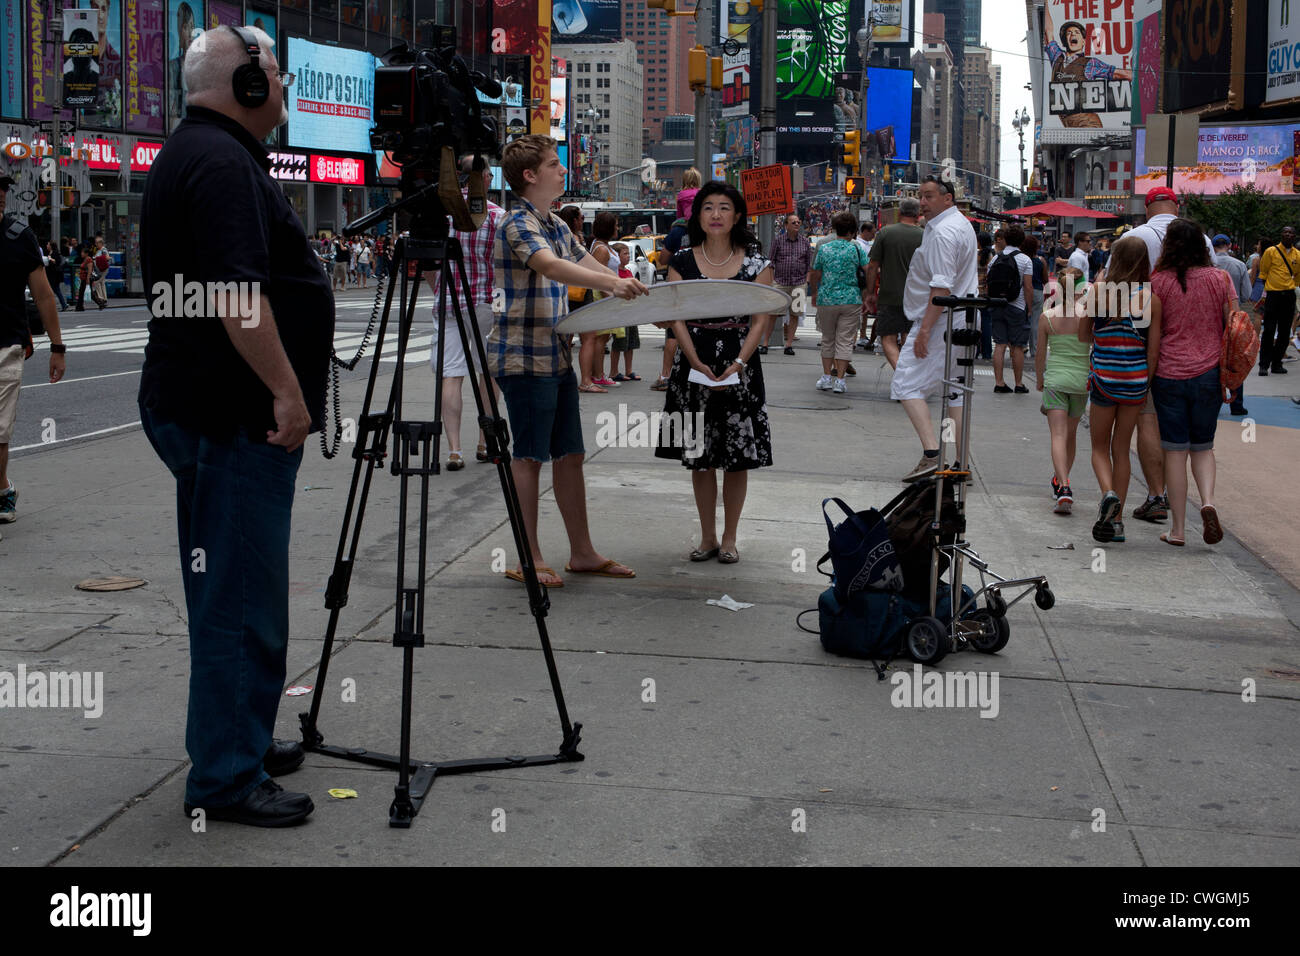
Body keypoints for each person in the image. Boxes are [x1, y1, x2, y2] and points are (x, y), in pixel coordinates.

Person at [138, 25, 331, 826]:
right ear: (246, 86)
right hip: (231, 417)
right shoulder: (219, 163)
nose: (282, 88)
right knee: (241, 601)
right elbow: (235, 299)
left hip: (211, 409)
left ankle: (239, 739)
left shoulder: (207, 152)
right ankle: (224, 775)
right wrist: (288, 394)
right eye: (276, 75)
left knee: (238, 591)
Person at [492, 134, 646, 588]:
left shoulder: (556, 223)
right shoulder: (516, 223)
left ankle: (581, 551)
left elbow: (585, 263)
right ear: (529, 175)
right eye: (555, 164)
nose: (563, 170)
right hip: (522, 358)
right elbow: (552, 267)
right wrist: (614, 287)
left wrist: (627, 286)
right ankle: (528, 554)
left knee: (571, 455)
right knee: (529, 457)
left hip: (555, 356)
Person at [655, 182, 774, 564]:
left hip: (741, 364)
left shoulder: (757, 264)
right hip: (694, 363)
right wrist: (692, 360)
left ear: (737, 215)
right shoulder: (683, 262)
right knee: (700, 456)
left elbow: (760, 321)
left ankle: (729, 538)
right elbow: (676, 316)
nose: (717, 215)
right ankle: (706, 536)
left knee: (737, 457)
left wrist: (739, 362)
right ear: (698, 216)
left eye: (725, 207)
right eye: (708, 208)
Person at [1124, 186, 1213, 524]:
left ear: (1148, 208)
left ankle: (1156, 495)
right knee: (1198, 443)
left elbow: (1119, 294)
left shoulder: (1135, 239)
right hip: (1202, 358)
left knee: (1149, 420)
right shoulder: (1204, 246)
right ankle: (1205, 501)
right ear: (1177, 206)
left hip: (1145, 343)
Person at [1146, 219, 1235, 548]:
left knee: (1174, 451)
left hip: (1168, 373)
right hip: (1208, 373)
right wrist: (1232, 376)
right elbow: (1232, 329)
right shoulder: (1220, 279)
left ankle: (1179, 529)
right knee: (1203, 447)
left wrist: (1148, 375)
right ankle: (1208, 501)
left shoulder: (1158, 281)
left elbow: (1153, 334)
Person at [891, 176, 978, 482]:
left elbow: (941, 287)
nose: (922, 203)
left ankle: (932, 453)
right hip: (961, 316)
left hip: (942, 318)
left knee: (905, 382)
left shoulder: (943, 232)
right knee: (954, 391)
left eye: (928, 197)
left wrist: (925, 330)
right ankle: (959, 462)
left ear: (948, 199)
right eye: (920, 197)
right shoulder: (960, 224)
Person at [426, 158, 505, 470]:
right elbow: (503, 270)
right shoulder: (498, 217)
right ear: (484, 179)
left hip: (448, 303)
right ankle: (485, 441)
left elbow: (429, 267)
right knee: (488, 372)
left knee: (452, 375)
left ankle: (454, 449)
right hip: (487, 302)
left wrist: (441, 292)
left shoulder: (441, 218)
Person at [1075, 237, 1154, 542]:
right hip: (1135, 383)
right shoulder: (1150, 298)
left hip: (1104, 380)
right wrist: (1145, 383)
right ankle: (1117, 522)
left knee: (1098, 447)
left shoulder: (1099, 293)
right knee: (1122, 449)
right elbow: (1153, 351)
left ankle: (1108, 492)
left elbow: (1084, 336)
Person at [0, 174, 68, 527]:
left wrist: (57, 346)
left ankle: (0, 490)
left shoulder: (19, 237)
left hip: (7, 345)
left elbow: (43, 295)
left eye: (2, 192)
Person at [1034, 244, 1091, 518]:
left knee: (1056, 435)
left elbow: (1040, 355)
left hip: (1056, 380)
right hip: (1081, 381)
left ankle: (1064, 486)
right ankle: (1062, 478)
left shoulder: (1047, 318)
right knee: (1071, 435)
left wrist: (1040, 380)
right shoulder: (1087, 319)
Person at [1043, 3, 1131, 128]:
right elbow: (1048, 32)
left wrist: (1144, 75)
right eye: (1069, 33)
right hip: (1070, 128)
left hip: (1089, 126)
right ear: (1064, 41)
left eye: (1077, 32)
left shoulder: (1090, 63)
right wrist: (1047, 2)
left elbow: (1117, 74)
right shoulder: (1057, 57)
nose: (1072, 35)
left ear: (1083, 41)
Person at [864, 196, 924, 369]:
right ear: (917, 213)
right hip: (916, 297)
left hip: (889, 295)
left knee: (888, 337)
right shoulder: (924, 235)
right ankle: (908, 374)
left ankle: (901, 373)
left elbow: (873, 266)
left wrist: (870, 293)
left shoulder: (885, 233)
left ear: (899, 212)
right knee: (908, 336)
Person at [809, 211, 866, 394]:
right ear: (852, 231)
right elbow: (868, 270)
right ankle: (840, 380)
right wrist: (868, 291)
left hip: (827, 299)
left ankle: (826, 377)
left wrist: (815, 293)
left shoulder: (825, 249)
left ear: (834, 228)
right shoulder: (856, 249)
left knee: (828, 339)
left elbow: (815, 274)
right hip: (851, 299)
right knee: (845, 341)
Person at [988, 223, 1035, 394]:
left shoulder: (995, 259)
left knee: (999, 344)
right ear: (1022, 241)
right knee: (1017, 345)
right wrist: (1029, 308)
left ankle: (999, 383)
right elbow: (1028, 287)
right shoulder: (1025, 260)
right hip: (1017, 305)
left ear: (1005, 239)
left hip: (997, 305)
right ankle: (1018, 383)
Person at [1212, 233, 1252, 415]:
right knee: (1234, 359)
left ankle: (1214, 400)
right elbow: (1246, 293)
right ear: (1228, 245)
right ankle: (1237, 403)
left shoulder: (1209, 267)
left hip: (1212, 319)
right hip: (1233, 319)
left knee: (1213, 359)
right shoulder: (1240, 265)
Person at [584, 211, 622, 389]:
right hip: (603, 295)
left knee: (602, 337)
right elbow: (598, 278)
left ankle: (598, 374)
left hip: (607, 293)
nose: (617, 228)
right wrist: (611, 297)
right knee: (601, 337)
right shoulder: (601, 249)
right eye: (615, 225)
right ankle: (598, 375)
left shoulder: (603, 245)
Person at [765, 212, 812, 355]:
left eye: (798, 222)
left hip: (799, 283)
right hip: (780, 283)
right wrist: (771, 281)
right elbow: (770, 262)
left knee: (795, 315)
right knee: (773, 314)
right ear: (786, 225)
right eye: (793, 222)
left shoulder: (805, 242)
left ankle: (789, 345)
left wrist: (807, 281)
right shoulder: (778, 241)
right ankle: (765, 344)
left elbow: (808, 263)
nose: (797, 224)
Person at [1255, 226, 1299, 376]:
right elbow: (1264, 272)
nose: (1288, 234)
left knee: (1285, 332)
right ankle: (1263, 365)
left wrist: (1289, 285)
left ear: (1294, 236)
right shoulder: (1271, 252)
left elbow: (1298, 276)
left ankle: (1277, 363)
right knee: (1268, 330)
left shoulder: (1298, 255)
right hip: (1273, 296)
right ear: (1281, 235)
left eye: (1291, 233)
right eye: (1285, 232)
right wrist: (1271, 287)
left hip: (1288, 296)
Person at [609, 243, 641, 382]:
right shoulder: (615, 273)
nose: (628, 256)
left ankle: (629, 370)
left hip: (631, 311)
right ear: (616, 256)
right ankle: (614, 371)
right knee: (619, 343)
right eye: (625, 254)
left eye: (628, 253)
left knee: (631, 343)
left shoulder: (628, 271)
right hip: (620, 312)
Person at [1022, 234, 1047, 360]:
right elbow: (1045, 279)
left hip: (1022, 292)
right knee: (1035, 322)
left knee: (1021, 319)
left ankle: (1021, 345)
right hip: (1037, 291)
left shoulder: (1021, 259)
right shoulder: (1041, 261)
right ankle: (1034, 350)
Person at [43, 241, 66, 310]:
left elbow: (57, 261)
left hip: (55, 275)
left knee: (51, 290)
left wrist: (50, 259)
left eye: (48, 244)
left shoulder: (55, 253)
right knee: (56, 290)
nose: (47, 245)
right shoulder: (49, 253)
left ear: (51, 246)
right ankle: (63, 305)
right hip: (51, 275)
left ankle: (49, 306)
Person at [92, 235, 110, 307]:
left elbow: (107, 258)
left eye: (97, 243)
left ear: (100, 243)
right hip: (99, 269)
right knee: (101, 283)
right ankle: (104, 299)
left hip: (103, 269)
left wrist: (97, 259)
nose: (96, 244)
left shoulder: (103, 249)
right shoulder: (98, 250)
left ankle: (101, 298)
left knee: (97, 283)